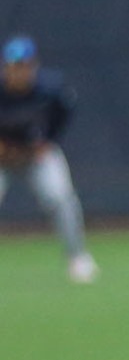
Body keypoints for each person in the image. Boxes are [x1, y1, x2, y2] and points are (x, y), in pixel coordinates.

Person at [0, 36, 97, 283]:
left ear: (33, 66)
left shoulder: (50, 90)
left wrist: (48, 141)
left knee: (60, 198)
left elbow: (65, 112)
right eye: (13, 66)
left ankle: (77, 257)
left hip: (36, 157)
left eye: (24, 65)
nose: (18, 71)